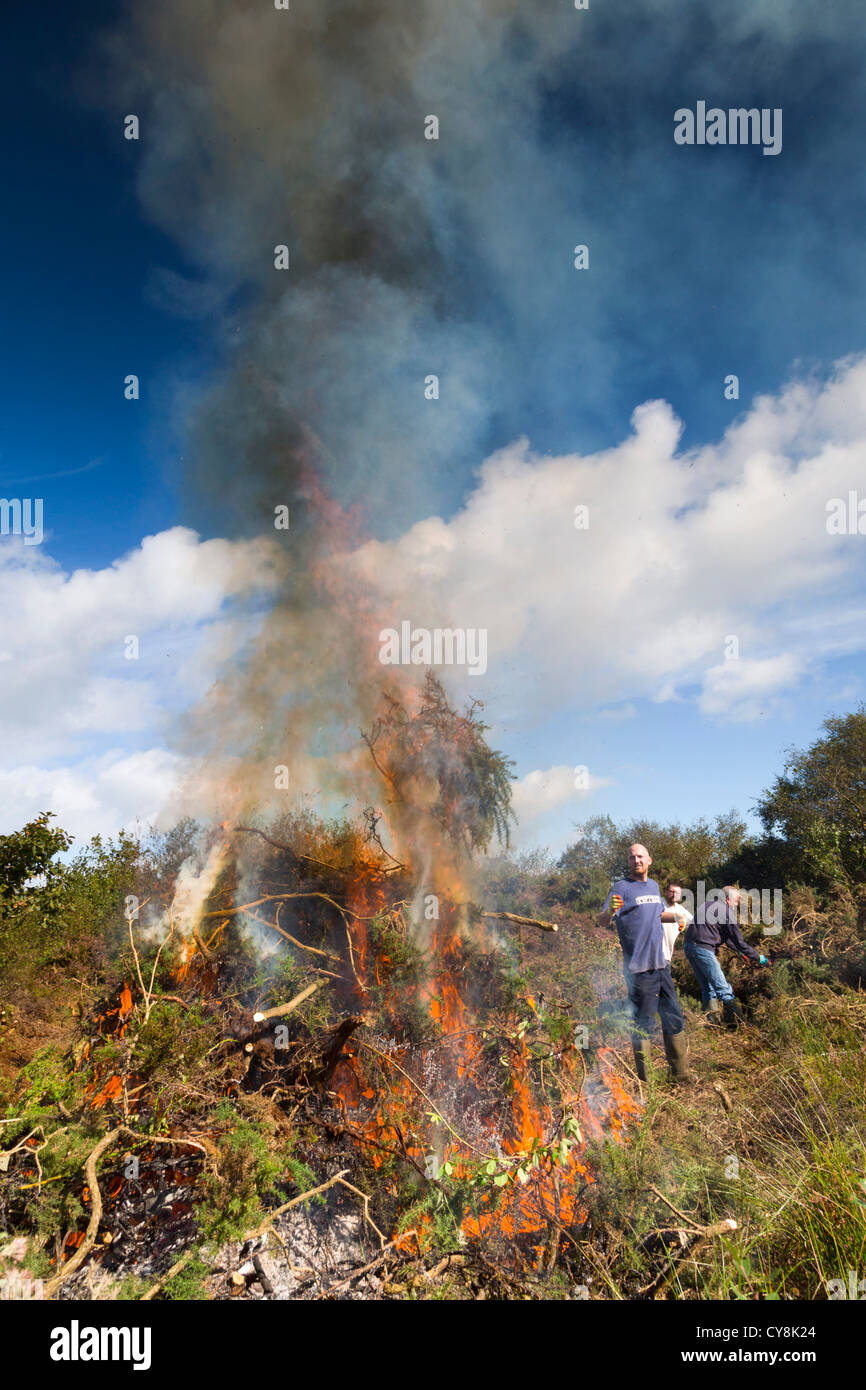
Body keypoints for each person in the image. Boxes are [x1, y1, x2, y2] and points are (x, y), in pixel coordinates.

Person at [597, 843, 689, 1082]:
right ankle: (646, 1084)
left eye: (640, 856)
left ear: (649, 860)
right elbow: (602, 920)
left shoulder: (654, 886)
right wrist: (611, 912)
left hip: (661, 965)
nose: (636, 860)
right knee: (643, 1025)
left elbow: (657, 913)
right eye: (631, 857)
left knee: (674, 1016)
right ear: (628, 862)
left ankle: (681, 1075)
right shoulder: (621, 888)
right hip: (639, 970)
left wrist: (676, 916)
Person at [683, 885, 769, 1025]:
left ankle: (711, 1022)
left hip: (689, 947)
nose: (737, 903)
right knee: (723, 989)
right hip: (703, 950)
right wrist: (759, 958)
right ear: (728, 900)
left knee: (708, 987)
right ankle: (739, 1023)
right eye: (736, 900)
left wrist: (740, 952)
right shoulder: (727, 913)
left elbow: (727, 938)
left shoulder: (708, 905)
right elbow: (739, 941)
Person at [661, 881, 692, 963]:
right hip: (652, 953)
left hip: (667, 955)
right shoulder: (658, 903)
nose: (674, 895)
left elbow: (693, 924)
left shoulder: (681, 910)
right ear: (666, 892)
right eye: (672, 892)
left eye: (677, 893)